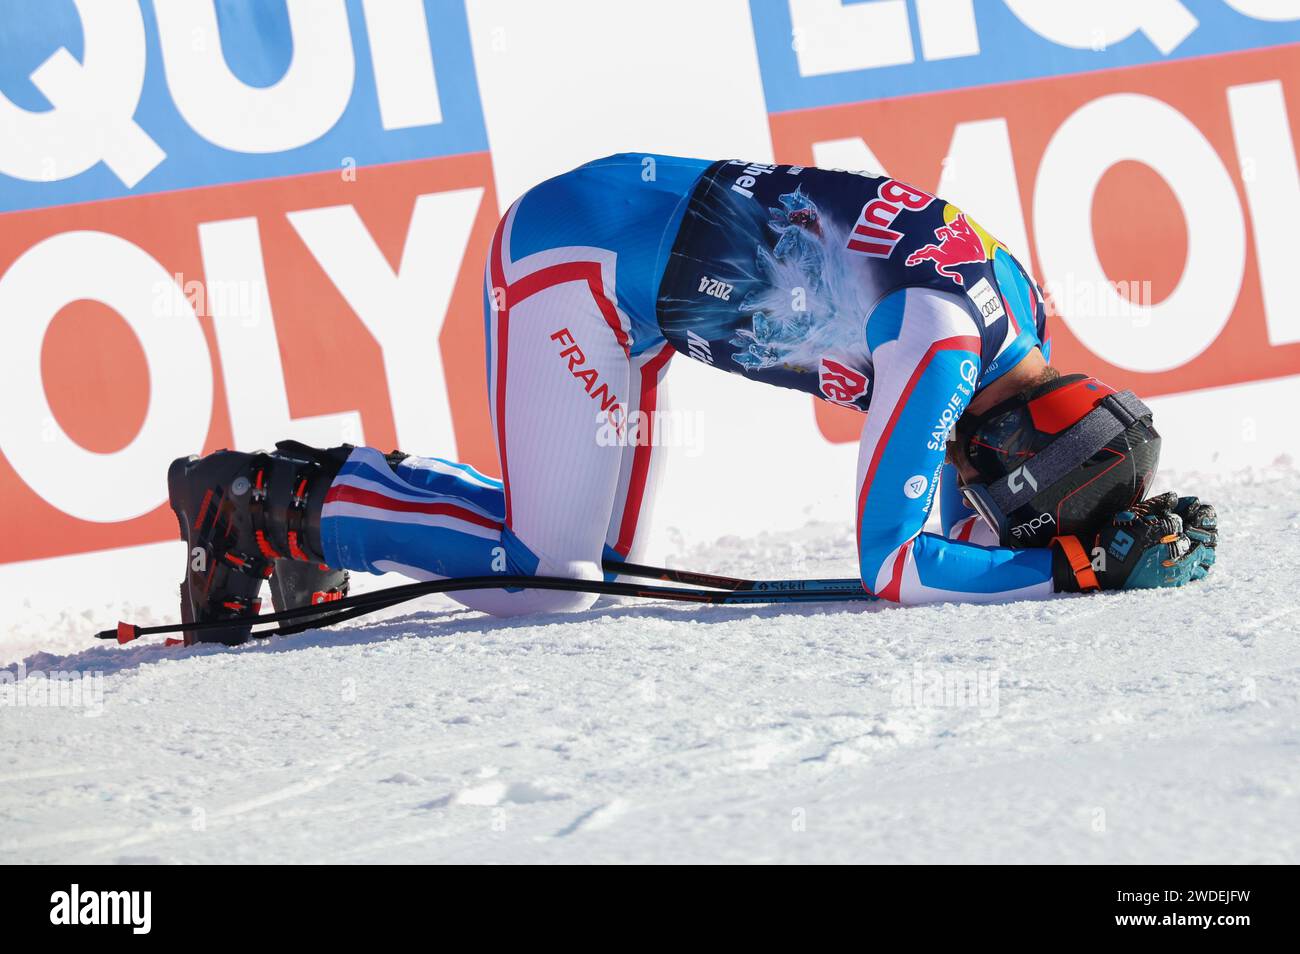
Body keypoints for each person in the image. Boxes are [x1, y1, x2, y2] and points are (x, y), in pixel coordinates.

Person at [166, 155, 1217, 644]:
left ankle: (326, 507)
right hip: (574, 265)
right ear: (1012, 454)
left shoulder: (1012, 323)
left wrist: (1063, 554)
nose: (973, 499)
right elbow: (895, 564)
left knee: (565, 559)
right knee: (550, 577)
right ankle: (258, 502)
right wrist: (1066, 571)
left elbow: (943, 506)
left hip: (635, 257)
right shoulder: (938, 351)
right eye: (997, 496)